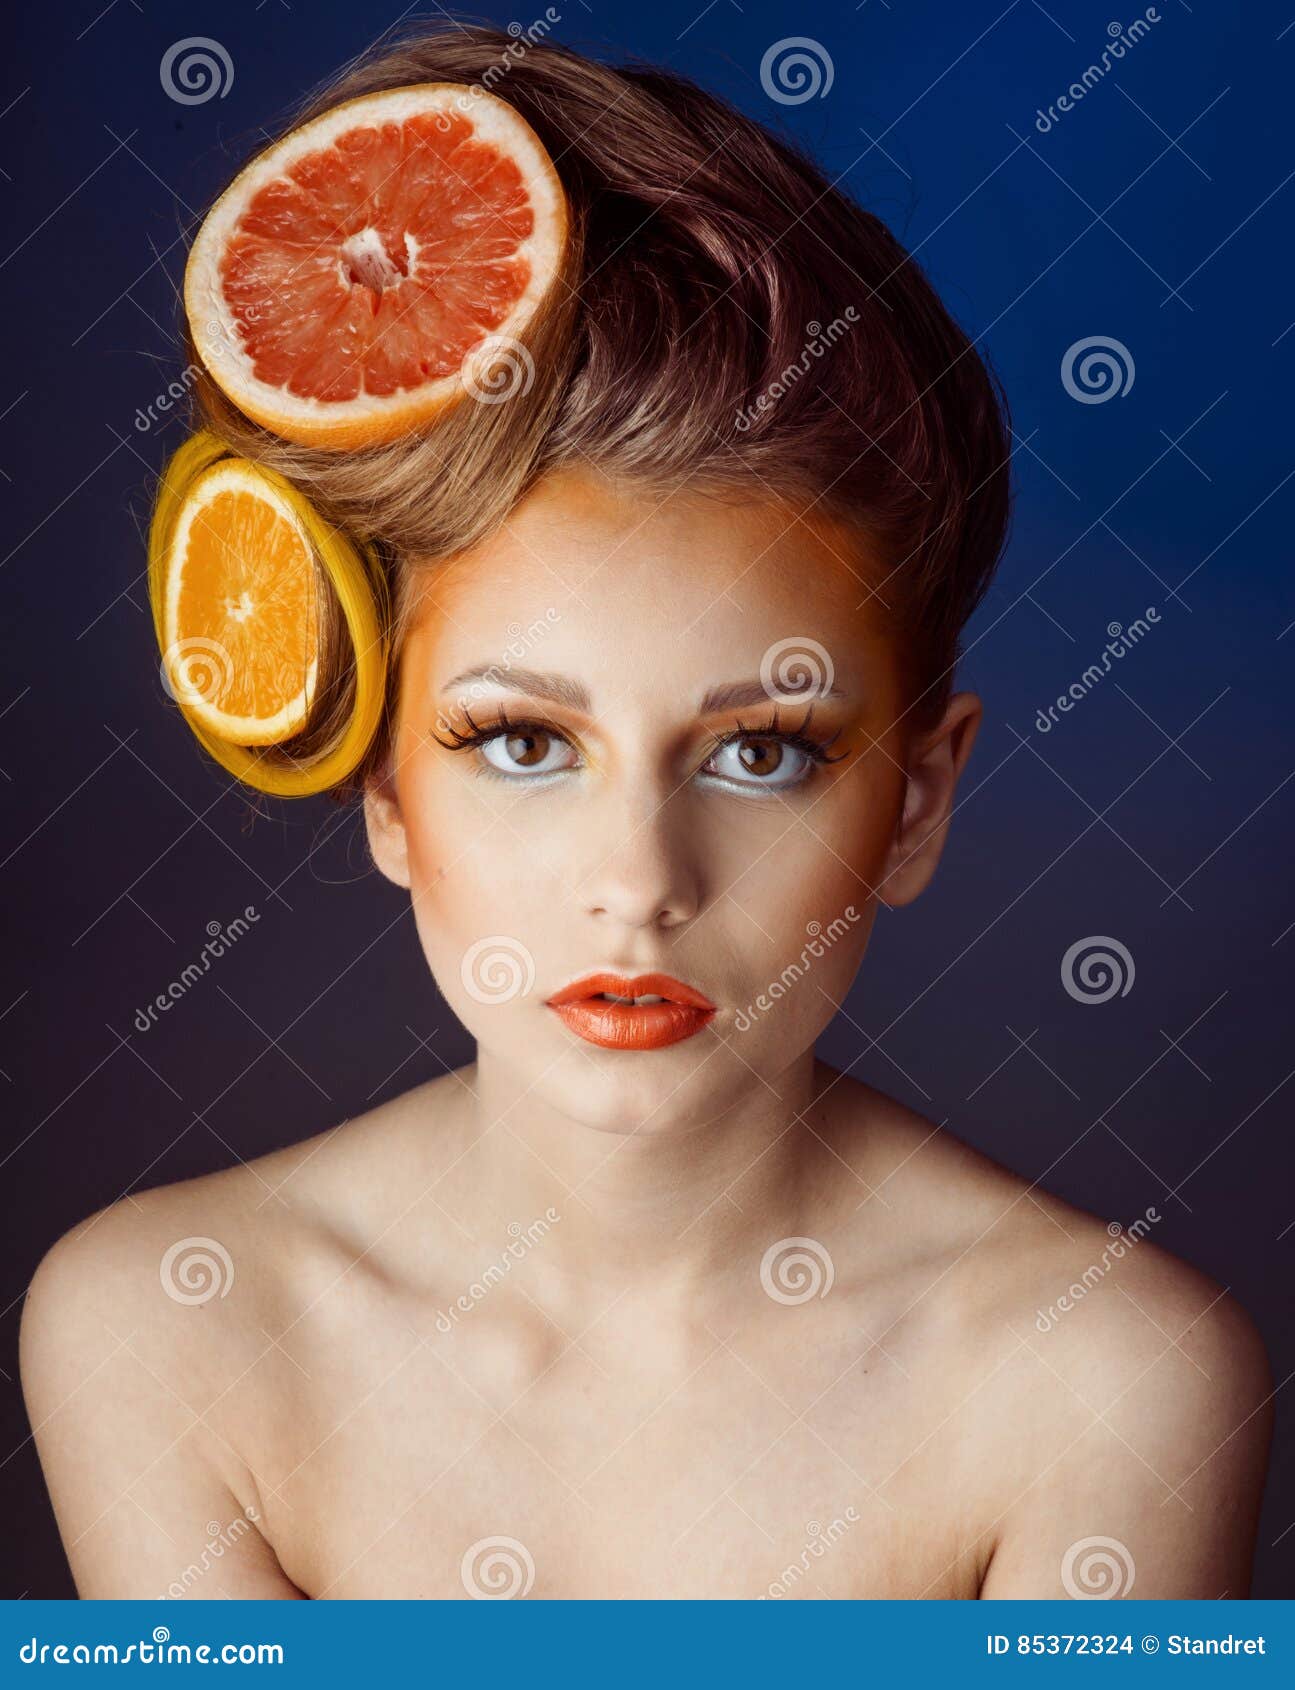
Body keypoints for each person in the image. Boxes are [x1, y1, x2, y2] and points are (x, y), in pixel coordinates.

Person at [20, 24, 1271, 1601]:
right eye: (524, 741)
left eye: (763, 753)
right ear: (388, 787)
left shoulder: (1109, 1383)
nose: (639, 884)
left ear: (917, 801)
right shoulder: (161, 1330)